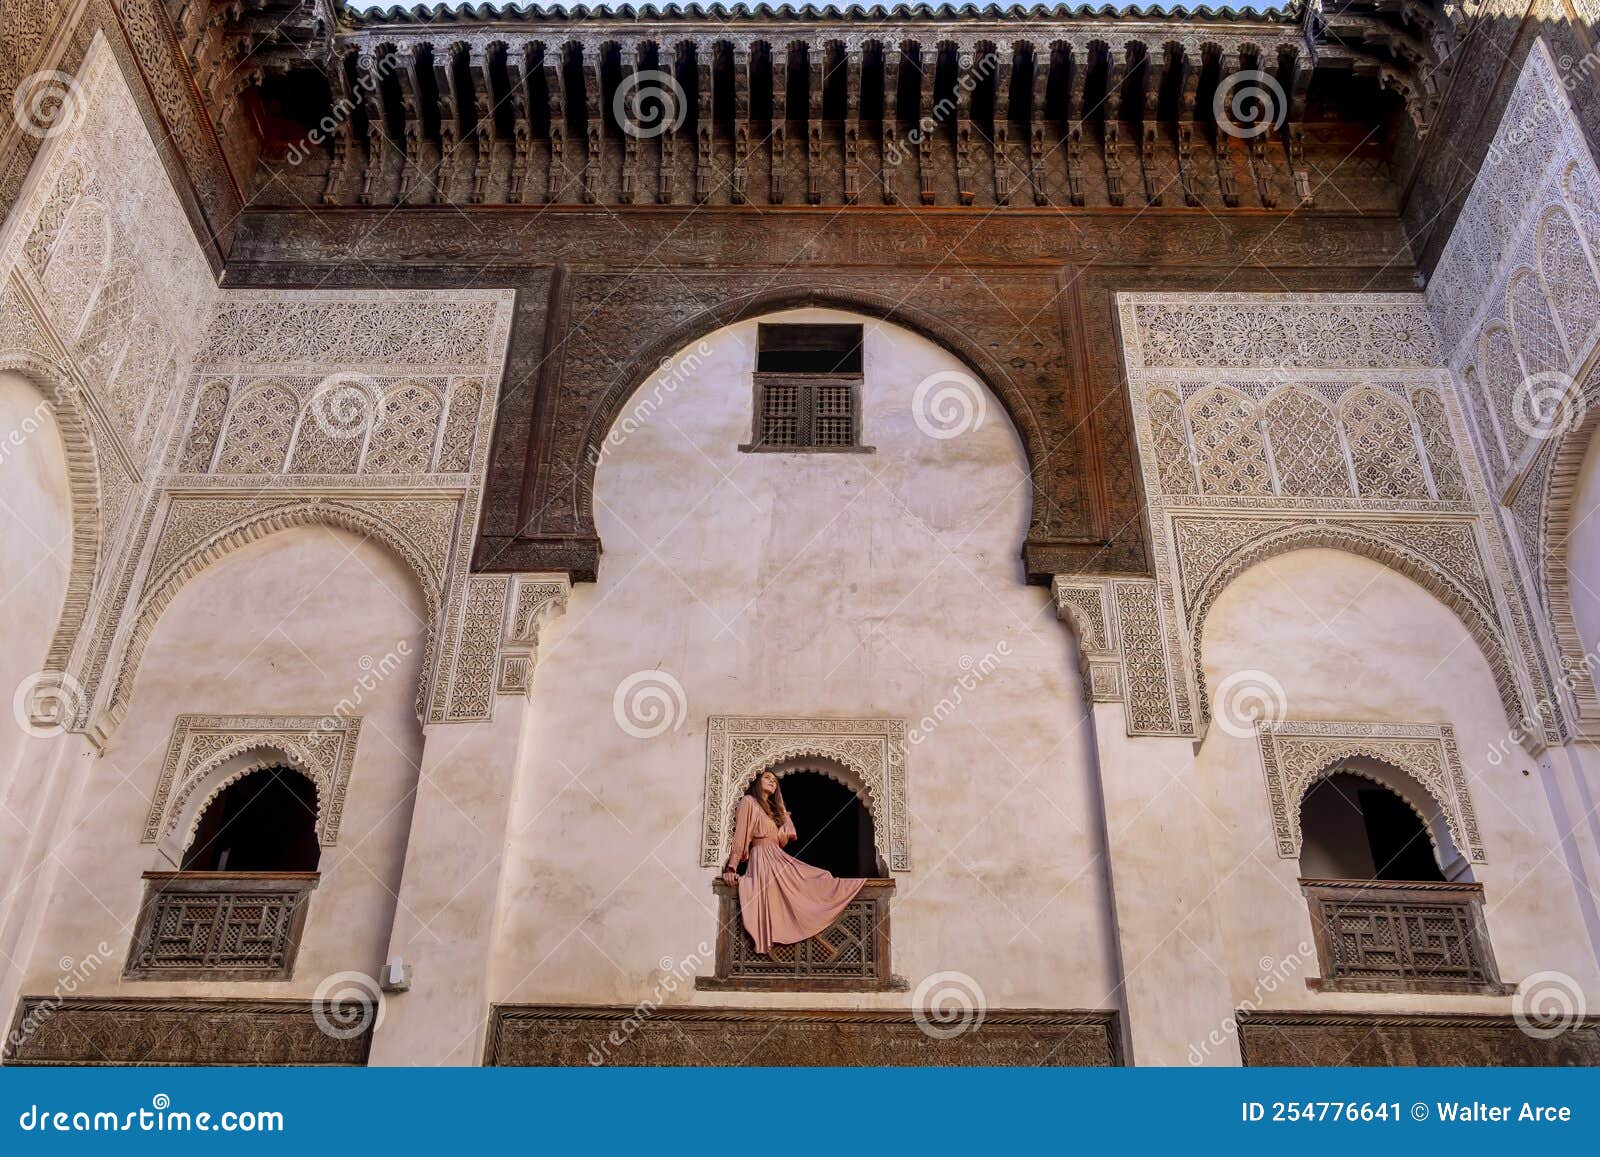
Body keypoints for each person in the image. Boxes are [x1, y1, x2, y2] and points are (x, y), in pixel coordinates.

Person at [721, 771, 865, 955]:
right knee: (779, 888)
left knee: (818, 877)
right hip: (762, 858)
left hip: (777, 856)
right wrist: (732, 866)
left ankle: (836, 897)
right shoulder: (749, 802)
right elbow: (740, 836)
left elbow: (781, 840)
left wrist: (781, 813)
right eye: (767, 778)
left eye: (774, 780)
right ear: (757, 781)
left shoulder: (772, 811)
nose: (772, 781)